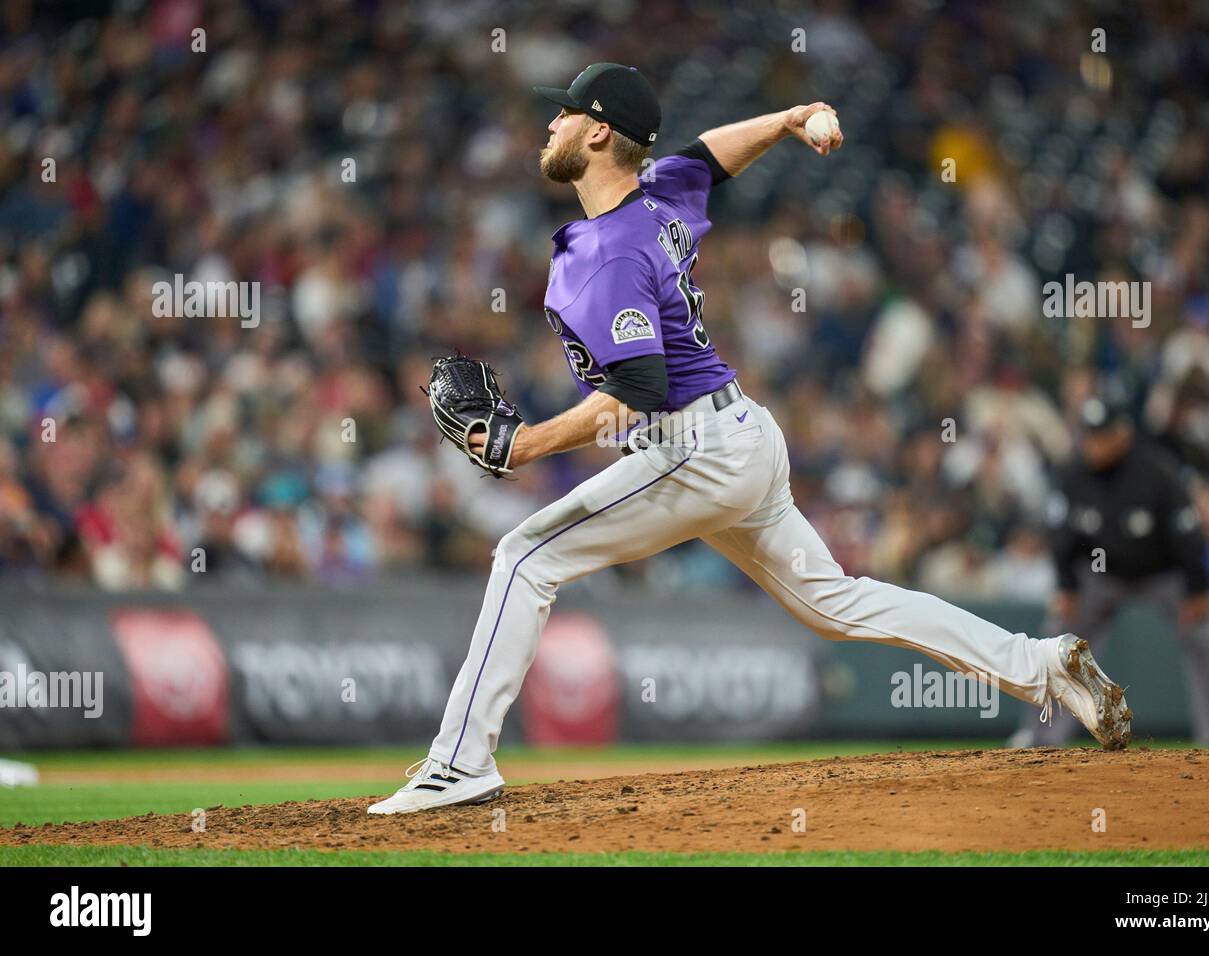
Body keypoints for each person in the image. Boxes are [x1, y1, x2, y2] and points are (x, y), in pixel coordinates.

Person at [369, 64, 1132, 814]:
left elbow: (635, 391)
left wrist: (523, 446)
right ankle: (1040, 667)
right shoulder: (656, 193)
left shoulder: (611, 252)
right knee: (838, 603)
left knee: (525, 556)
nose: (551, 123)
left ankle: (459, 764)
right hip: (742, 439)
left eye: (565, 113)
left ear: (599, 132)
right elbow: (708, 156)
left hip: (695, 447)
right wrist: (789, 117)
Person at [1008, 395, 1209, 750]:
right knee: (1057, 643)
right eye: (1089, 435)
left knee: (1205, 635)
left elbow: (1186, 532)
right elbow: (1061, 537)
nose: (1095, 444)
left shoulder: (1155, 471)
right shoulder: (1074, 475)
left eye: (1103, 435)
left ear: (1123, 433)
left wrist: (1198, 589)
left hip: (1162, 573)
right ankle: (1039, 735)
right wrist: (1066, 587)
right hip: (1101, 577)